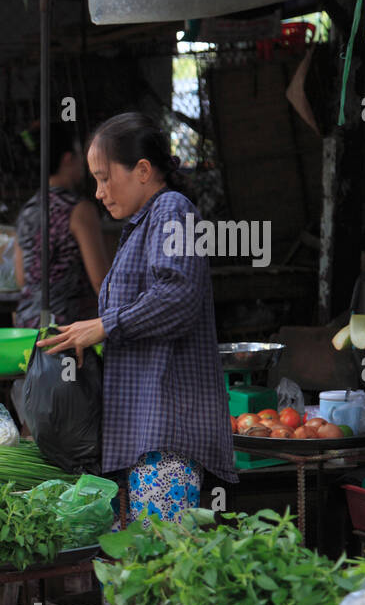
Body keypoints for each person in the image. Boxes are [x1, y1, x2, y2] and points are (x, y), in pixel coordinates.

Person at [37, 112, 236, 524]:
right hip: (144, 431)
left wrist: (104, 326)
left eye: (105, 177)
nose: (98, 192)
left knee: (160, 567)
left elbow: (178, 296)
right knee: (138, 567)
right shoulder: (142, 223)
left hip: (169, 431)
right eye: (93, 179)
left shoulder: (172, 210)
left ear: (143, 170)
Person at [13, 122, 111, 328]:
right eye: (78, 154)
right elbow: (100, 282)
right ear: (68, 159)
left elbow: (22, 279)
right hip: (69, 327)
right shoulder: (80, 210)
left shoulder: (27, 210)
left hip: (28, 324)